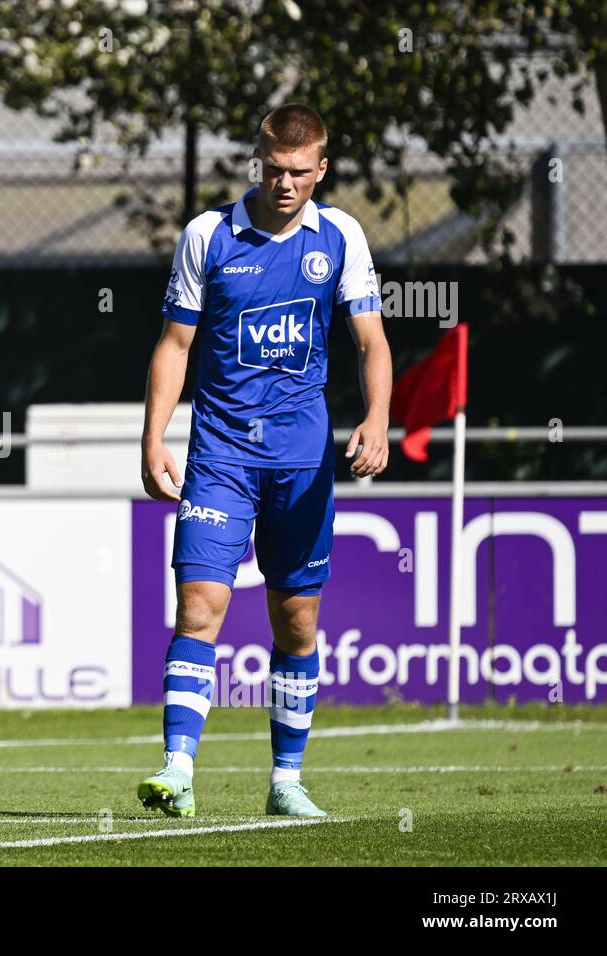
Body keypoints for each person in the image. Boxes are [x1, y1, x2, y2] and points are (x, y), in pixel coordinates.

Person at [137, 104, 391, 818]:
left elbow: (371, 341)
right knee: (200, 606)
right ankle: (177, 768)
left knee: (297, 622)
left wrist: (377, 418)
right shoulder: (208, 235)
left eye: (300, 174)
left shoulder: (340, 236)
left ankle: (285, 780)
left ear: (322, 169)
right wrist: (154, 437)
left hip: (302, 459)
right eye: (275, 171)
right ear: (258, 162)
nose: (286, 185)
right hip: (220, 453)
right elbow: (175, 345)